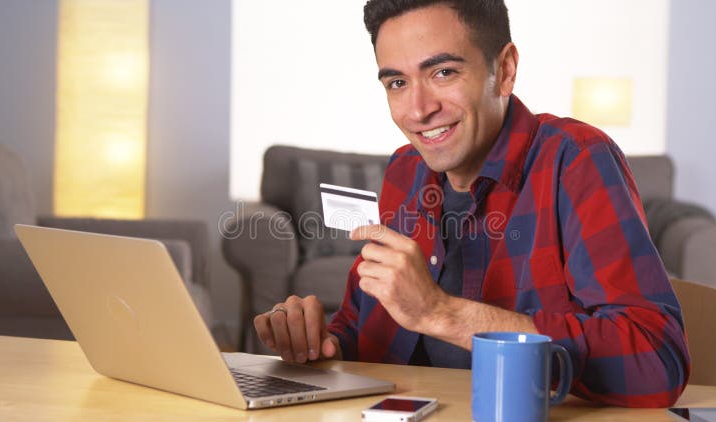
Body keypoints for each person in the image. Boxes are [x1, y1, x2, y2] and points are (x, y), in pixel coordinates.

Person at [254, 0, 690, 407]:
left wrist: (442, 313)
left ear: (504, 70)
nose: (418, 109)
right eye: (398, 83)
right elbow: (363, 326)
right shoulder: (405, 169)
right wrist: (317, 341)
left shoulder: (575, 159)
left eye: (443, 72)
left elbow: (656, 361)